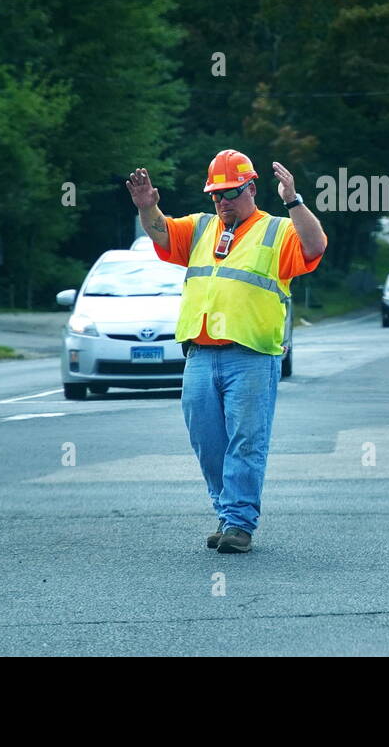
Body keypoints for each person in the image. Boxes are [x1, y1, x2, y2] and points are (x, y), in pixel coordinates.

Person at [126, 150, 326, 553]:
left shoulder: (277, 229)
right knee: (207, 439)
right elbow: (161, 232)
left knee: (246, 442)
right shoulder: (201, 228)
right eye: (216, 195)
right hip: (200, 354)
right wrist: (148, 207)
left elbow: (315, 243)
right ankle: (227, 511)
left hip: (251, 354)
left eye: (231, 194)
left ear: (251, 189)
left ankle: (238, 523)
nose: (222, 202)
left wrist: (294, 200)